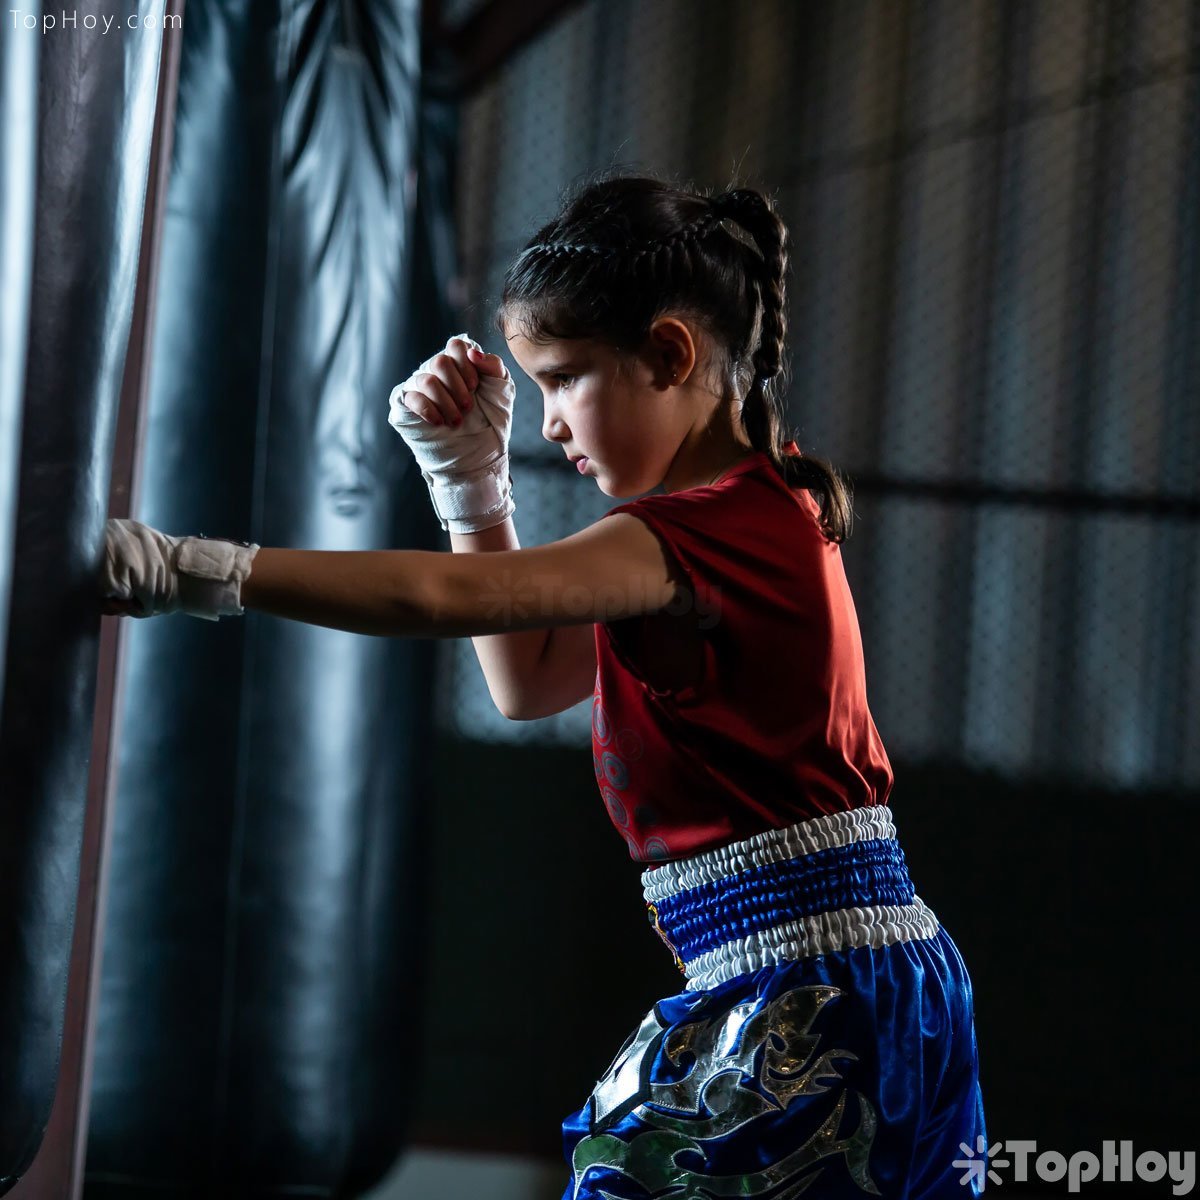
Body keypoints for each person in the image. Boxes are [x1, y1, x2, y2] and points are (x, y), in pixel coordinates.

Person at [100, 173, 987, 1197]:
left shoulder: (720, 531)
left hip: (818, 999)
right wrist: (470, 485)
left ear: (668, 354)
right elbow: (526, 679)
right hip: (817, 987)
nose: (551, 421)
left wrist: (191, 569)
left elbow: (445, 599)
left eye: (566, 378)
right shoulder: (735, 513)